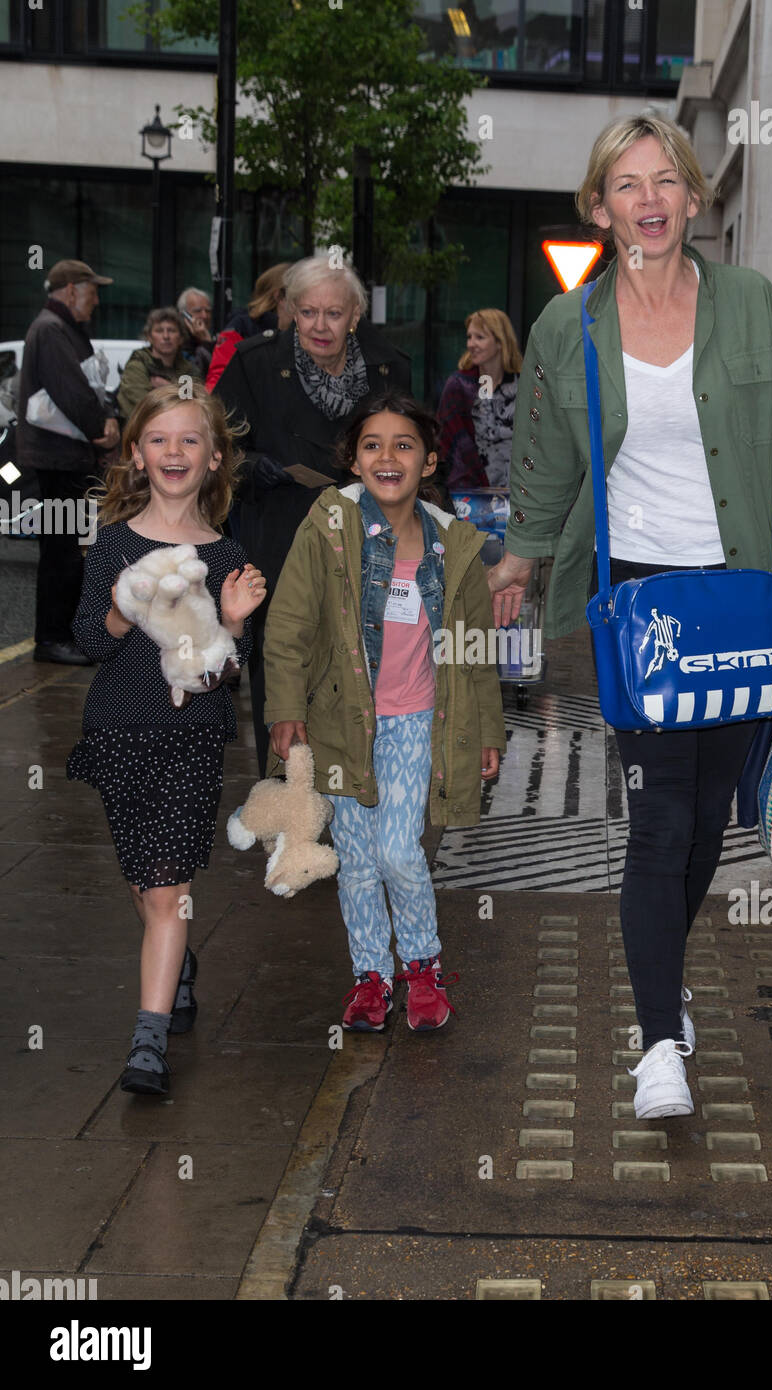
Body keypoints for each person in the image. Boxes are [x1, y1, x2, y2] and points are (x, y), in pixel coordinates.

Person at [487, 112, 772, 1120]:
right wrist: (519, 555)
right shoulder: (570, 326)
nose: (648, 201)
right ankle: (658, 1044)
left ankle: (661, 973)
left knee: (700, 832)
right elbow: (551, 458)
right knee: (659, 820)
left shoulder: (752, 306)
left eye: (665, 181)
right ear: (600, 208)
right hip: (641, 603)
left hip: (741, 590)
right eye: (626, 186)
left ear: (694, 197)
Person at [262, 391, 506, 1032]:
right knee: (357, 860)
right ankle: (370, 977)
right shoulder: (329, 525)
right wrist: (285, 707)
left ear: (428, 462)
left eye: (404, 445)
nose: (387, 456)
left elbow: (474, 653)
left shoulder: (454, 546)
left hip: (419, 721)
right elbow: (288, 623)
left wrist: (485, 730)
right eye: (372, 445)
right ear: (354, 460)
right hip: (341, 725)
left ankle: (422, 966)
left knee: (400, 853)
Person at [66, 382, 265, 1096]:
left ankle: (147, 1043)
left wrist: (234, 624)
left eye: (189, 440)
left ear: (214, 458)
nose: (173, 451)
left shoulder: (226, 556)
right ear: (137, 455)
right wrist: (127, 609)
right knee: (142, 880)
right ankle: (176, 967)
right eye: (159, 439)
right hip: (118, 726)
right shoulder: (113, 544)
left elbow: (220, 676)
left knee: (165, 888)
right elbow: (88, 639)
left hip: (191, 735)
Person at [215, 255, 411, 773]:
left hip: (367, 543)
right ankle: (286, 803)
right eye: (308, 313)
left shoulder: (390, 366)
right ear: (290, 312)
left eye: (333, 313)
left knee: (363, 670)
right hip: (279, 544)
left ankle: (357, 791)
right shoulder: (254, 364)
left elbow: (413, 452)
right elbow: (218, 452)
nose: (320, 326)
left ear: (355, 315)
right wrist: (261, 469)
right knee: (282, 675)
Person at [17, 258, 119, 665]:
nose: (95, 300)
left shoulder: (64, 330)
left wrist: (106, 422)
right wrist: (103, 429)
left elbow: (91, 389)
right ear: (72, 290)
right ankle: (53, 639)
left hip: (69, 459)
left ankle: (63, 636)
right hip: (57, 462)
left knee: (71, 549)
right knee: (61, 552)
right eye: (92, 291)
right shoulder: (51, 330)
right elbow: (74, 394)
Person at [437, 308, 522, 490]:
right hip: (469, 495)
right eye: (469, 337)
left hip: (519, 493)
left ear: (500, 342)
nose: (471, 344)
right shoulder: (459, 386)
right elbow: (449, 446)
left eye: (480, 337)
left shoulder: (524, 385)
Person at [205, 263, 293, 392]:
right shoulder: (241, 327)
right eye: (298, 294)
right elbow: (218, 383)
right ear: (279, 296)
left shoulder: (305, 331)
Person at [116, 307, 202, 422]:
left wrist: (167, 387)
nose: (166, 336)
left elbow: (197, 405)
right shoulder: (137, 365)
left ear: (181, 338)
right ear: (149, 337)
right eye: (159, 331)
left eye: (171, 330)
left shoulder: (188, 369)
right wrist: (178, 392)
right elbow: (144, 405)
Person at [177, 286, 213, 375]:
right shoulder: (176, 342)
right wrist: (206, 344)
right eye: (198, 311)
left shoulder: (216, 339)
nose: (205, 316)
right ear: (184, 315)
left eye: (208, 311)